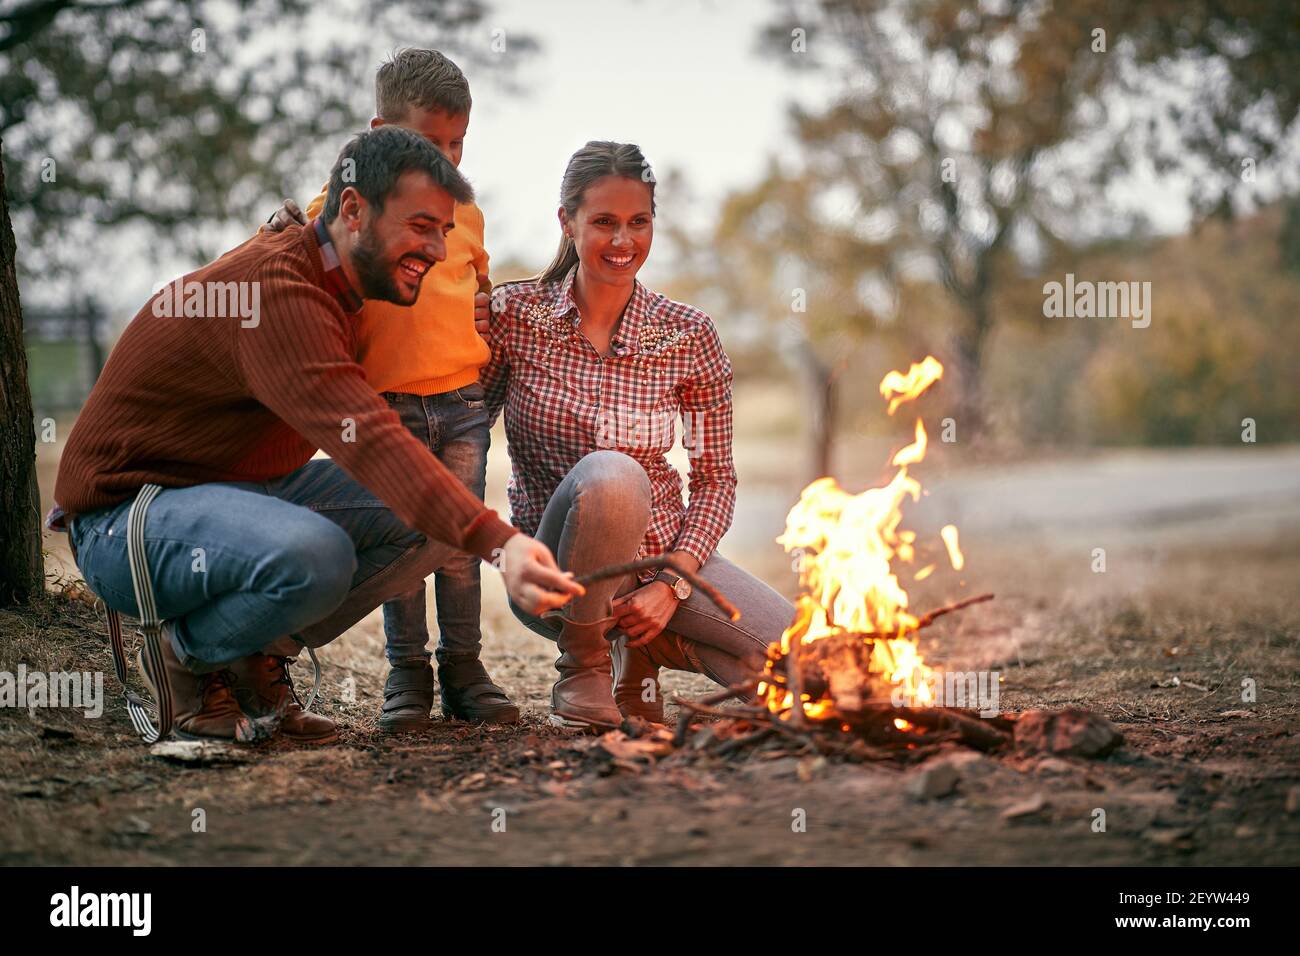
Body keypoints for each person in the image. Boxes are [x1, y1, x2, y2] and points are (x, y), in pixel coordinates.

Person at [51, 126, 580, 744]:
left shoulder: (339, 284)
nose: (438, 250)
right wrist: (502, 545)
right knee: (315, 554)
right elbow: (371, 441)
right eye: (420, 226)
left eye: (444, 230)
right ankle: (180, 655)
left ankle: (250, 656)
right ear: (352, 209)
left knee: (435, 521)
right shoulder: (280, 294)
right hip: (128, 519)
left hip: (235, 496)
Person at [481, 141, 795, 731]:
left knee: (808, 668)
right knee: (615, 472)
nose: (623, 240)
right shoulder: (516, 315)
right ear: (567, 221)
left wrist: (672, 585)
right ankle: (584, 669)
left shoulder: (689, 334)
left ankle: (645, 649)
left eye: (639, 222)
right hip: (558, 572)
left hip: (664, 561)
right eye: (604, 221)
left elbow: (716, 479)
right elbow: (465, 435)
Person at [268, 48, 517, 731]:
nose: (446, 161)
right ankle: (407, 672)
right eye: (429, 145)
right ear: (380, 133)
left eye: (457, 145)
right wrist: (277, 228)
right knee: (405, 544)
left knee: (459, 544)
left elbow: (475, 281)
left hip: (461, 406)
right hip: (382, 409)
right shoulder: (343, 205)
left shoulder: (466, 213)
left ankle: (464, 669)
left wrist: (482, 308)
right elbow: (299, 250)